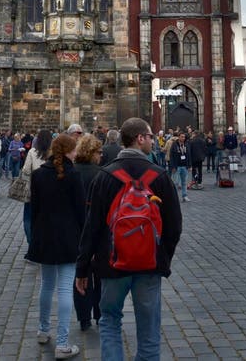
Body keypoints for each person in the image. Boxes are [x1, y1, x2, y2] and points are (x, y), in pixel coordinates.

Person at [75, 117, 182, 361]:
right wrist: (161, 257)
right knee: (149, 330)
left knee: (110, 321)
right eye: (151, 136)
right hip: (149, 265)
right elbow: (174, 226)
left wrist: (82, 268)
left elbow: (91, 228)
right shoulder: (160, 176)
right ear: (140, 138)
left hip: (112, 265)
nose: (153, 140)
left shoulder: (104, 176)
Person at [27, 133, 85, 359]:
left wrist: (37, 234)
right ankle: (62, 343)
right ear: (67, 151)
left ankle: (43, 330)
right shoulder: (73, 175)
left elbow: (35, 209)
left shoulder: (39, 175)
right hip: (68, 238)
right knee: (64, 288)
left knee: (47, 285)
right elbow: (81, 212)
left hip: (45, 236)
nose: (76, 152)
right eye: (74, 149)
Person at [73, 134, 103, 331]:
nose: (101, 155)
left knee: (80, 273)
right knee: (99, 275)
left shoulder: (72, 172)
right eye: (99, 152)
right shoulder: (101, 174)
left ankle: (84, 317)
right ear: (91, 153)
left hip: (76, 230)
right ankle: (99, 314)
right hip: (97, 230)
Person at [21, 128, 53, 243]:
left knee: (28, 218)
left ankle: (31, 244)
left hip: (32, 189)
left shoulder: (32, 152)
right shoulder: (53, 153)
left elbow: (25, 170)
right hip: (49, 191)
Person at [170, 131, 191, 202]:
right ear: (178, 137)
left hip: (185, 166)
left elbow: (189, 155)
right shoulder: (174, 144)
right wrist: (173, 166)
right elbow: (171, 156)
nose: (183, 138)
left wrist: (189, 166)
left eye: (184, 137)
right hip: (177, 166)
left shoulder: (186, 144)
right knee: (175, 182)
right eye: (182, 137)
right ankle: (174, 197)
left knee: (184, 182)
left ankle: (184, 196)